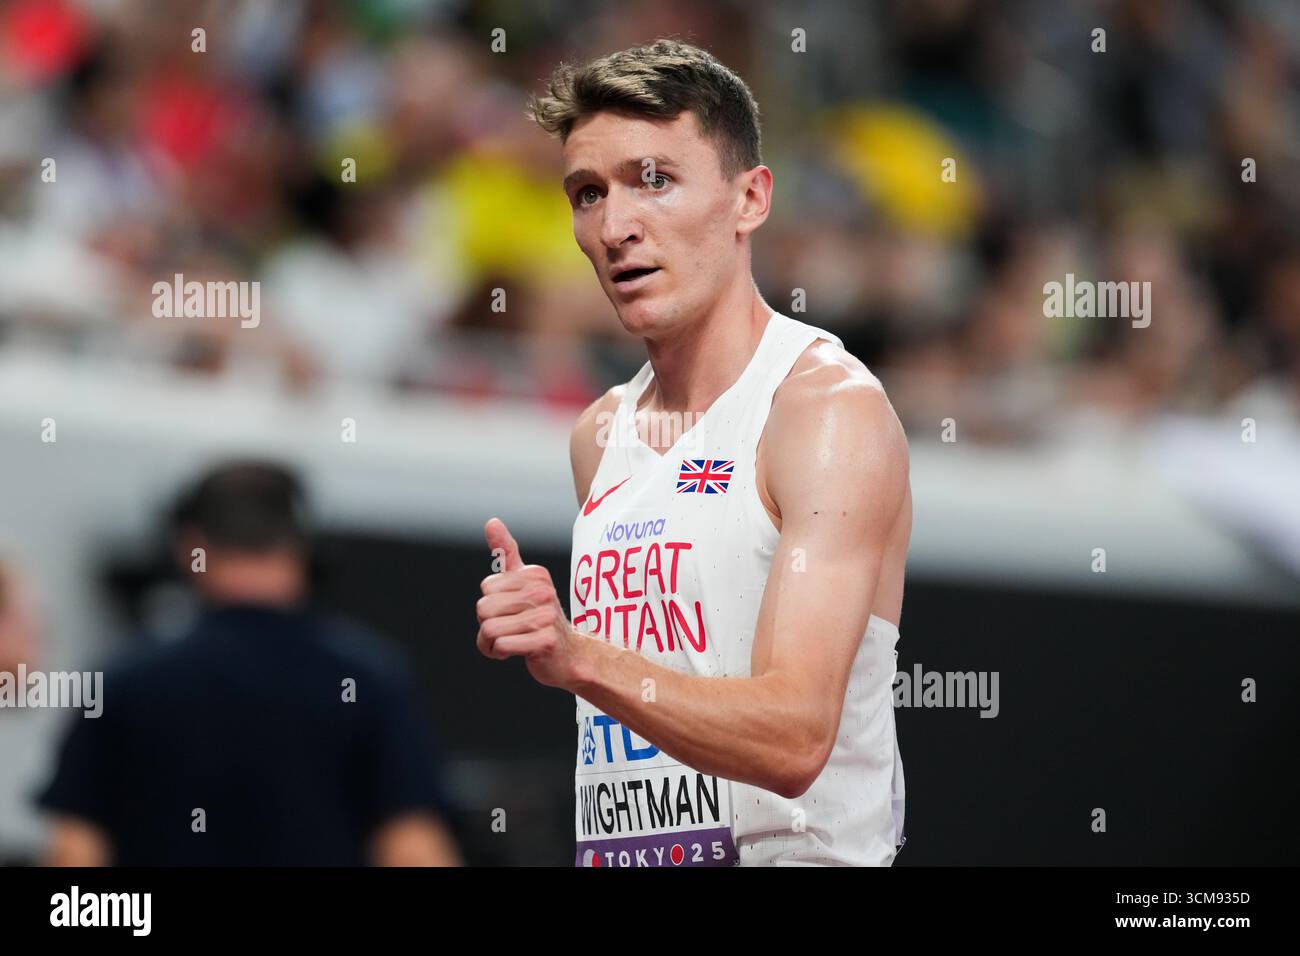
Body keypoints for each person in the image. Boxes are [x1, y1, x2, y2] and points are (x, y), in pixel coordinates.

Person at [476, 39, 910, 866]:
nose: (614, 225)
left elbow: (792, 739)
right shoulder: (598, 436)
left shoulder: (822, 410)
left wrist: (577, 656)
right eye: (587, 194)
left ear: (750, 199)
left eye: (656, 180)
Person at [37, 461, 461, 866]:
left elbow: (75, 850)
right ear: (304, 549)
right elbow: (411, 847)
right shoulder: (368, 677)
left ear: (190, 548)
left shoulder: (125, 679)